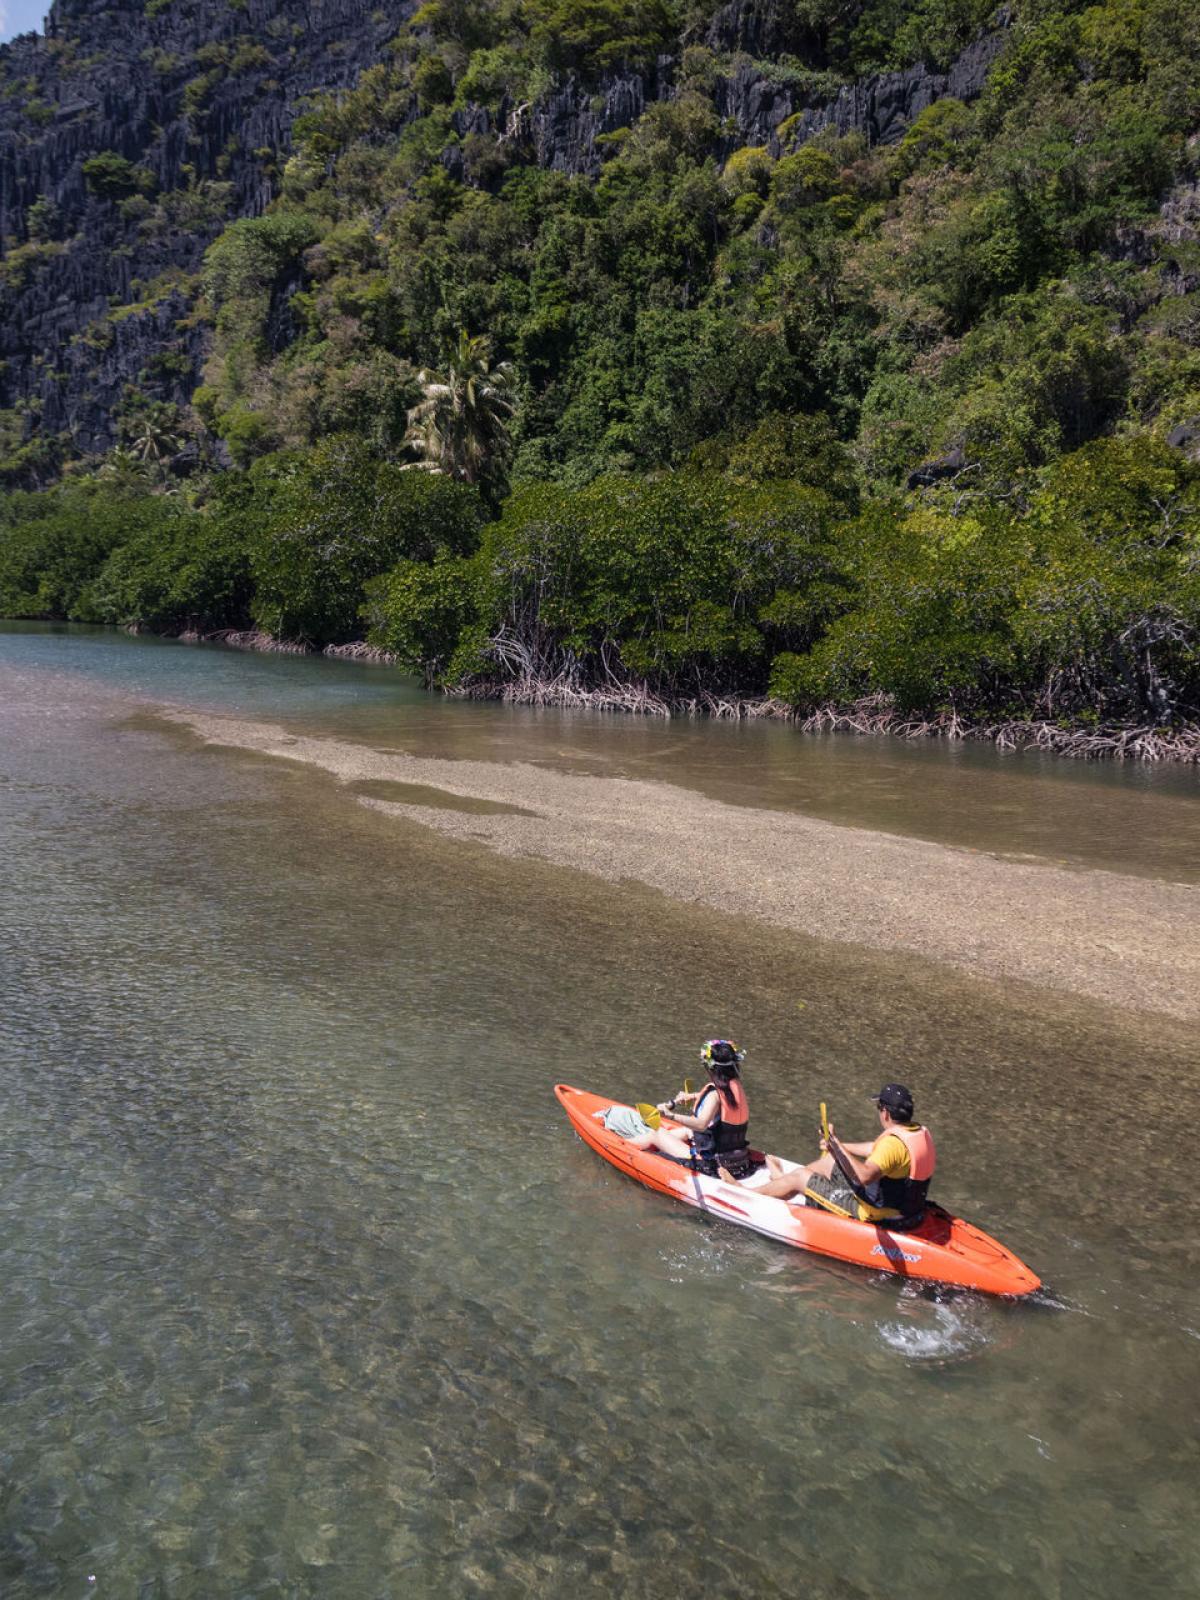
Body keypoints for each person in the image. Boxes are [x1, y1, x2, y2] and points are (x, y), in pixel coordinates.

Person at [745, 1083, 935, 1229]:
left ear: (885, 1113)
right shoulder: (916, 1133)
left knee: (801, 1176)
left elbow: (864, 1177)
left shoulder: (892, 1145)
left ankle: (746, 1194)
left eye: (879, 1108)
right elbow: (875, 1149)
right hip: (904, 1209)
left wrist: (835, 1144)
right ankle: (782, 1182)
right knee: (828, 1161)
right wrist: (840, 1147)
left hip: (874, 1214)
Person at [626, 1040, 753, 1177]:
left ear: (710, 1068)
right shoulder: (735, 1087)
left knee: (656, 1133)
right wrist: (692, 1096)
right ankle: (649, 1141)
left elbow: (701, 1125)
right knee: (687, 1131)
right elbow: (723, 1101)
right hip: (737, 1159)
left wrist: (671, 1115)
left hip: (712, 1164)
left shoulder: (714, 1095)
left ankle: (622, 1145)